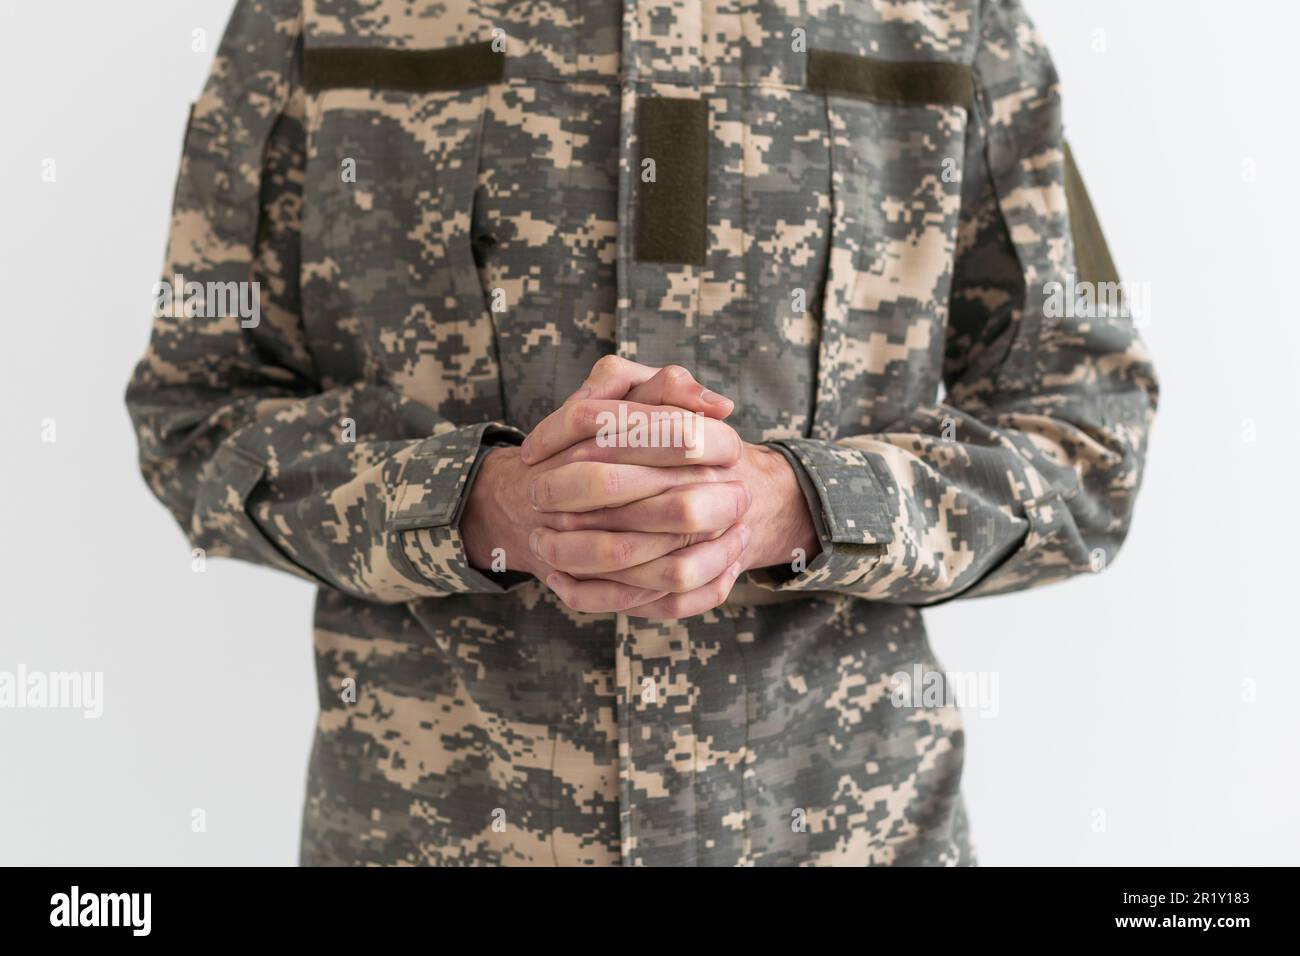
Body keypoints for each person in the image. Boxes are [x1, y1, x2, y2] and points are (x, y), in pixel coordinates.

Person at [126, 0, 1157, 866]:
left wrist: (798, 505)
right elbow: (196, 412)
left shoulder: (947, 18)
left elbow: (1086, 431)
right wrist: (475, 508)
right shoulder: (314, 12)